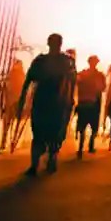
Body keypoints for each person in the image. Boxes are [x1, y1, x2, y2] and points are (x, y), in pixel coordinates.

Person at [18, 33, 77, 176]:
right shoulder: (63, 61)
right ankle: (45, 160)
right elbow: (72, 81)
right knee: (48, 132)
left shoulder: (45, 61)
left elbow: (28, 81)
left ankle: (39, 163)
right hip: (53, 101)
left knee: (44, 132)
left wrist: (22, 99)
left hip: (49, 101)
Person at [75, 55, 107, 157]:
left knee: (82, 127)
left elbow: (76, 83)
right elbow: (102, 88)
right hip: (94, 103)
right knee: (93, 126)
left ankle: (80, 148)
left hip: (83, 102)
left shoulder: (83, 74)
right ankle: (91, 146)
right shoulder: (99, 75)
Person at [1, 59, 26, 151]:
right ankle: (8, 141)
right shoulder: (13, 75)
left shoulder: (19, 75)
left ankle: (12, 141)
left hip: (15, 101)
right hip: (12, 102)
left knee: (11, 123)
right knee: (9, 123)